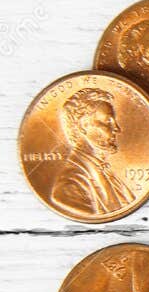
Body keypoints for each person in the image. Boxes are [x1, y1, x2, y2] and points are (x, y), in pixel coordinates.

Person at [50, 88, 134, 218]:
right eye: (107, 122)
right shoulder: (70, 186)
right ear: (83, 125)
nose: (117, 129)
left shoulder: (107, 174)